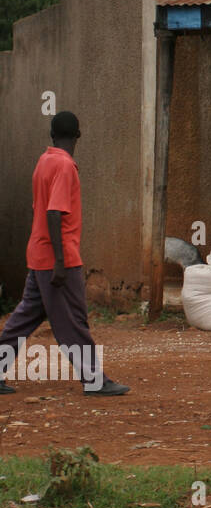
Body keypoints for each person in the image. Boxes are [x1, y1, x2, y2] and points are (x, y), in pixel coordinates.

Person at [0, 112, 129, 395]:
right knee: (73, 322)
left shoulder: (44, 161)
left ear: (51, 134)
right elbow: (54, 213)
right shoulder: (64, 165)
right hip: (58, 259)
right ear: (78, 136)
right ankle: (95, 381)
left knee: (24, 319)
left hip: (39, 256)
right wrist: (60, 261)